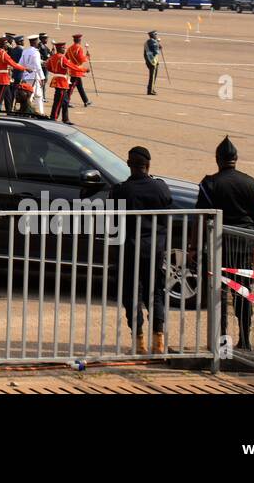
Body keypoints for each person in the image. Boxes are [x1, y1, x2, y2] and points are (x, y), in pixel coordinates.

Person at [194, 136, 254, 352]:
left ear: (218, 159)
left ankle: (222, 342)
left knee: (220, 295)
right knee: (243, 293)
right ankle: (245, 340)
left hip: (219, 247)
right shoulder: (251, 182)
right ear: (236, 158)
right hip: (244, 246)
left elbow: (199, 218)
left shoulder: (209, 183)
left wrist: (193, 248)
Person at [108, 146, 171, 354]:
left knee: (131, 294)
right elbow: (166, 216)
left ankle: (139, 342)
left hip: (129, 250)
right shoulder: (161, 189)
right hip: (154, 249)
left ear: (128, 164)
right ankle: (158, 341)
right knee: (156, 292)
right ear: (148, 165)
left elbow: (113, 221)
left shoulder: (120, 191)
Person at [143, 31, 162, 96]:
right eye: (155, 35)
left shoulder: (149, 41)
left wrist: (157, 44)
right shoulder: (152, 42)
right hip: (152, 61)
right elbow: (155, 51)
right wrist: (159, 47)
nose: (156, 36)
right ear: (153, 35)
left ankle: (151, 89)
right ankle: (150, 90)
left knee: (153, 76)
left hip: (150, 61)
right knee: (153, 76)